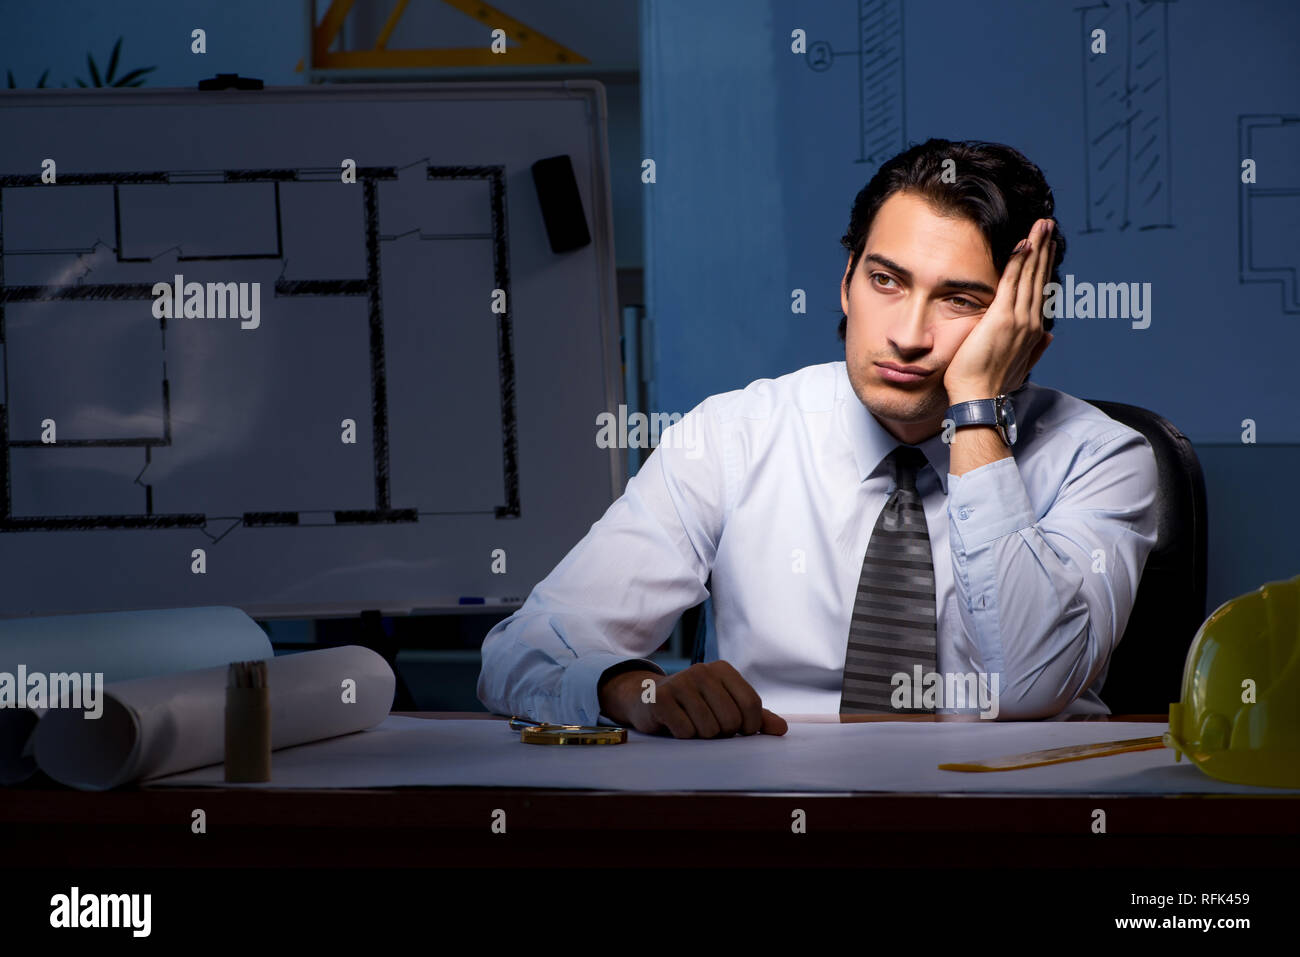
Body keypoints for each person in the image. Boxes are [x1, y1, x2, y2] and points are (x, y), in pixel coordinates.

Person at [477, 138, 1159, 738]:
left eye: (959, 300)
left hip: (1010, 827)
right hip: (775, 819)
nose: (908, 334)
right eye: (886, 280)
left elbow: (1030, 687)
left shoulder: (1102, 457)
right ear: (845, 282)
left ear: (1021, 323)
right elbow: (520, 652)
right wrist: (631, 689)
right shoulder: (732, 437)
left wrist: (976, 412)